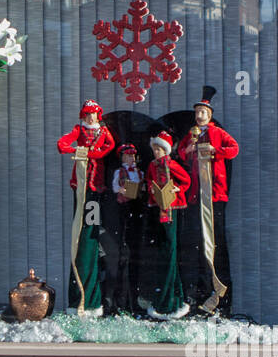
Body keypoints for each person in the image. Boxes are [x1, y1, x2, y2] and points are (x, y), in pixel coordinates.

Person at [175, 86, 238, 314]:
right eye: (197, 112)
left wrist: (215, 150)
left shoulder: (218, 133)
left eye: (203, 112)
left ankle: (220, 295)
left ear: (209, 114)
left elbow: (233, 149)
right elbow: (181, 152)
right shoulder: (191, 134)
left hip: (213, 195)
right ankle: (199, 293)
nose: (199, 115)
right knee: (198, 244)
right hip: (196, 196)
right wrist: (189, 149)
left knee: (215, 243)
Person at [57, 100, 115, 317]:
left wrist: (91, 154)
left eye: (94, 114)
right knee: (80, 229)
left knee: (91, 230)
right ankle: (81, 296)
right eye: (88, 114)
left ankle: (89, 297)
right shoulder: (79, 130)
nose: (91, 118)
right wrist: (73, 149)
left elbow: (109, 146)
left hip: (94, 190)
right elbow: (63, 143)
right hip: (80, 186)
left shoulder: (103, 132)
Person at [143, 132, 191, 318]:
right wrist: (151, 188)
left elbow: (186, 180)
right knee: (164, 247)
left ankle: (170, 298)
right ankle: (172, 296)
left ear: (166, 150)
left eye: (159, 149)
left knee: (170, 247)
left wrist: (177, 189)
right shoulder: (152, 165)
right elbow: (149, 179)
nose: (156, 153)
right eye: (155, 149)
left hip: (171, 207)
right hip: (159, 207)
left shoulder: (172, 164)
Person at [108, 143, 148, 315]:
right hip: (125, 208)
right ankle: (119, 301)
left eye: (133, 156)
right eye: (128, 156)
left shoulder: (140, 172)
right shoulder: (120, 172)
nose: (131, 158)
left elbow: (144, 186)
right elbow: (116, 187)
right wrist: (123, 190)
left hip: (138, 206)